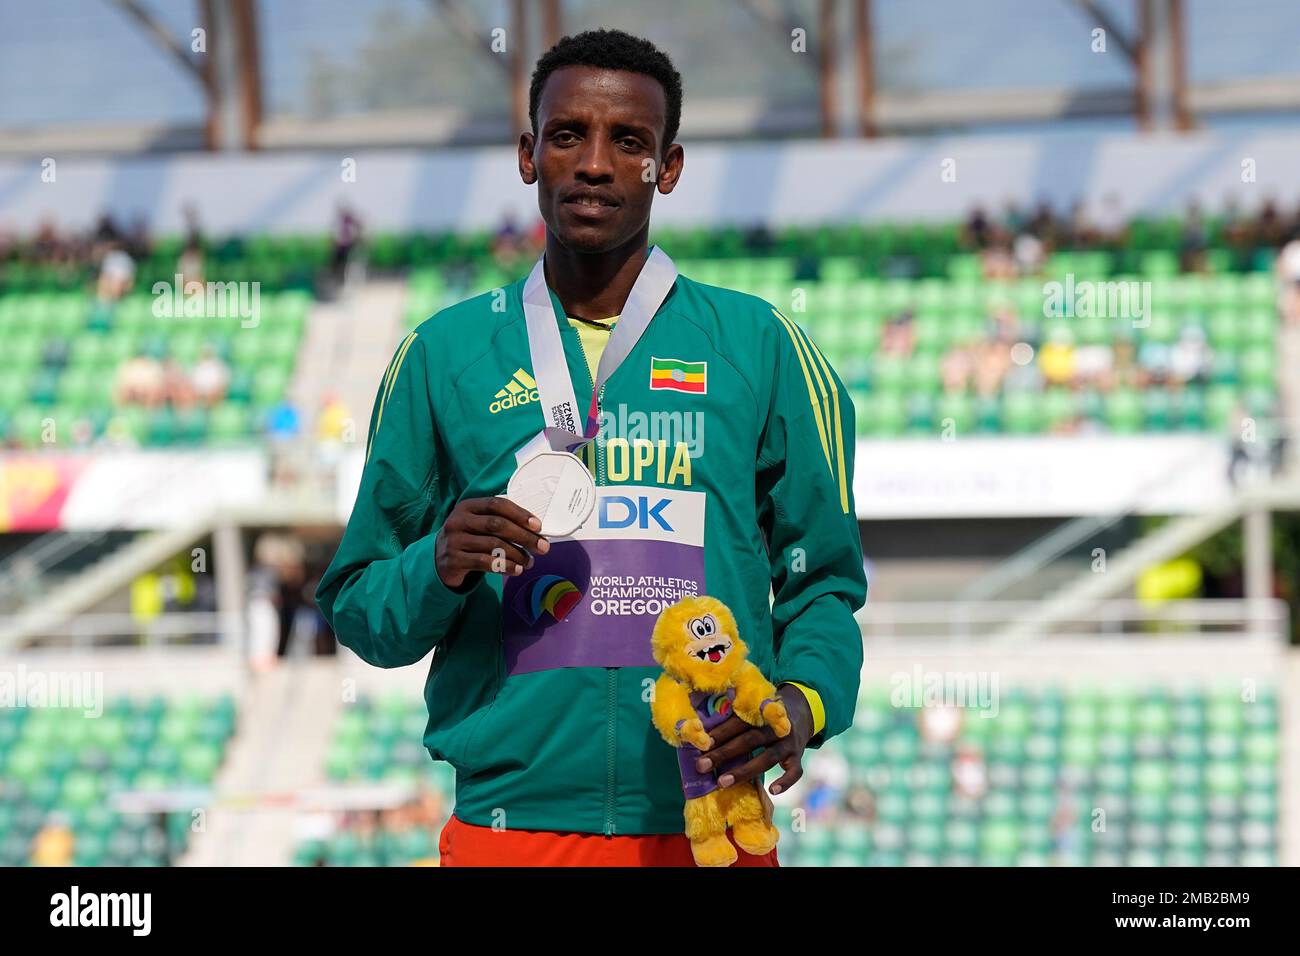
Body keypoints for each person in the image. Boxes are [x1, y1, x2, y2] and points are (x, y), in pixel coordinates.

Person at [315, 28, 866, 868]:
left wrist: (802, 700)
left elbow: (821, 579)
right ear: (529, 155)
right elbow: (360, 604)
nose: (598, 163)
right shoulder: (443, 354)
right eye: (568, 135)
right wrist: (439, 562)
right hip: (509, 833)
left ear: (667, 168)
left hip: (708, 824)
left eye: (630, 142)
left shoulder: (763, 348)